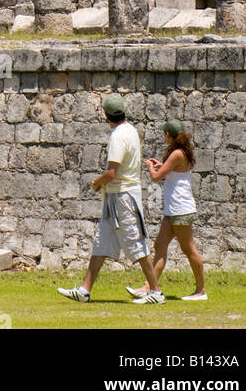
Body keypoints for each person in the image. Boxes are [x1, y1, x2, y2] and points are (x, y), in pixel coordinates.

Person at [58, 93, 165, 304]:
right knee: (102, 242)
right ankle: (84, 290)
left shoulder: (118, 136)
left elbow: (111, 173)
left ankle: (155, 291)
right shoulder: (131, 131)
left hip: (123, 196)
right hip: (118, 195)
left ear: (106, 114)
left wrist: (96, 182)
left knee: (136, 242)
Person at [127, 118, 207, 302]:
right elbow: (172, 171)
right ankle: (150, 288)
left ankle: (201, 290)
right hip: (173, 209)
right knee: (160, 245)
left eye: (165, 134)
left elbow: (156, 178)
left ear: (169, 135)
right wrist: (161, 165)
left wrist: (149, 167)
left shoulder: (177, 154)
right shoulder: (180, 152)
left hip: (181, 209)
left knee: (189, 249)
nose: (164, 136)